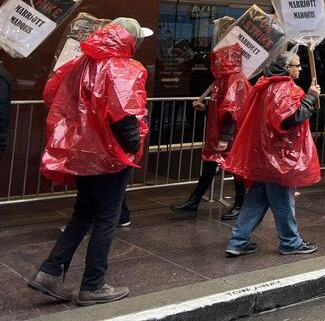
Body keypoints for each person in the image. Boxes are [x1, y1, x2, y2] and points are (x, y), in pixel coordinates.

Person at [29, 18, 151, 306]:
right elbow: (124, 115)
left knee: (84, 213)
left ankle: (49, 271)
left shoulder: (80, 62)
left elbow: (51, 93)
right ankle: (93, 284)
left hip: (81, 153)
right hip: (109, 156)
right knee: (107, 217)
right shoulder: (122, 67)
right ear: (130, 40)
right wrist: (132, 148)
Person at [223, 50, 320, 257]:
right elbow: (290, 119)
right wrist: (311, 97)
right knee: (283, 199)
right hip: (279, 157)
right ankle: (290, 242)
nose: (300, 68)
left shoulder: (265, 86)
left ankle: (238, 240)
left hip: (264, 155)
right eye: (297, 65)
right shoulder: (284, 89)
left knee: (256, 199)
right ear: (287, 68)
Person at [171, 43, 250, 219]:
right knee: (209, 166)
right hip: (219, 134)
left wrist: (224, 137)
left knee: (236, 169)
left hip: (229, 136)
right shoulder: (223, 79)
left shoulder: (236, 80)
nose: (216, 63)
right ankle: (194, 201)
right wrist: (205, 108)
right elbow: (222, 108)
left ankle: (240, 204)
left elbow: (233, 111)